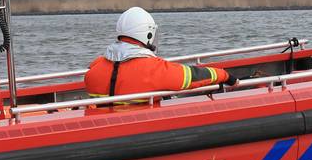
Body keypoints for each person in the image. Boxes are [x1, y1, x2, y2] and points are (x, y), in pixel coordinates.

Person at [84, 7, 236, 100]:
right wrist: (225, 76)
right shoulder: (153, 69)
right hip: (139, 129)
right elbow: (192, 76)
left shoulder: (95, 69)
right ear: (148, 35)